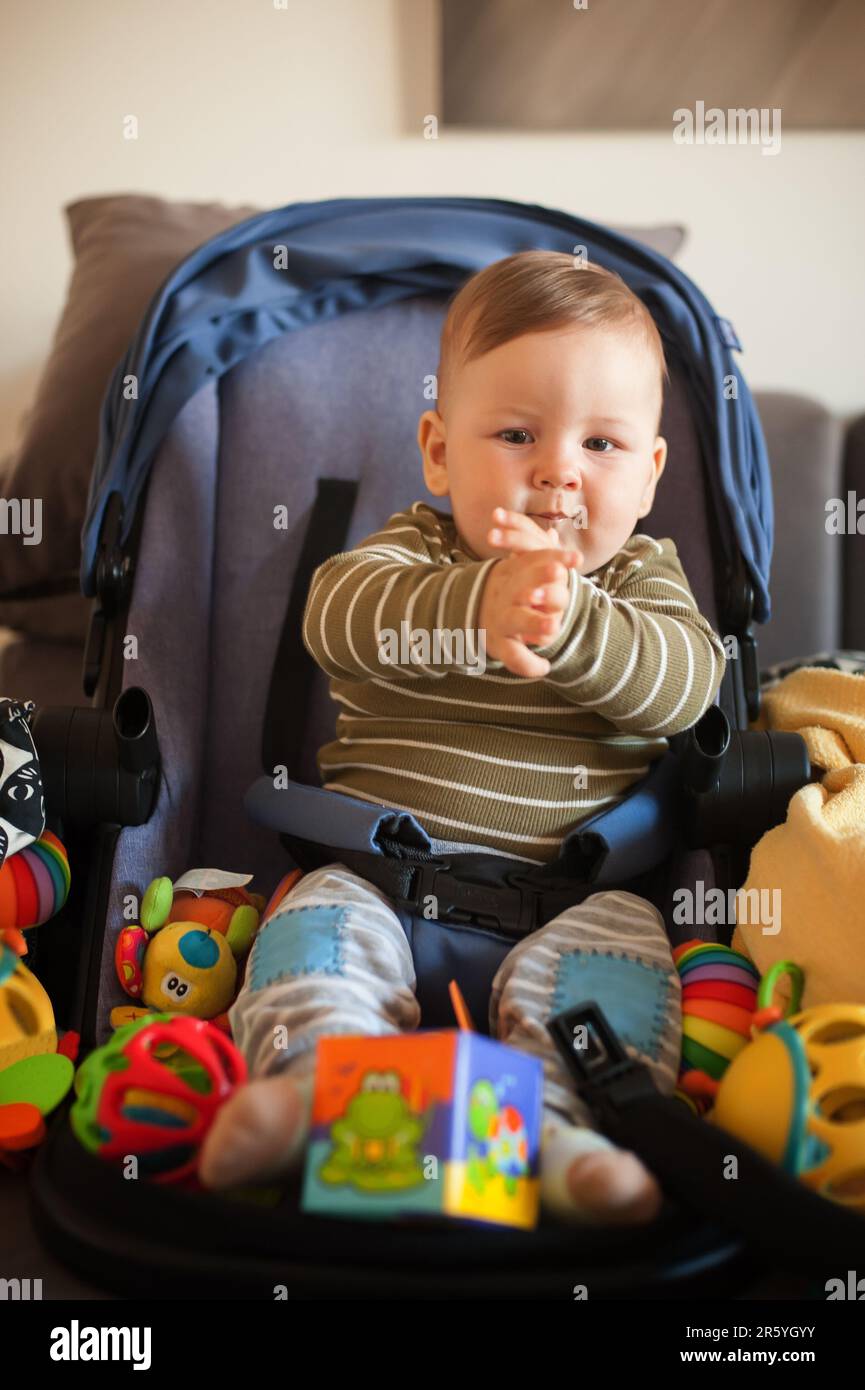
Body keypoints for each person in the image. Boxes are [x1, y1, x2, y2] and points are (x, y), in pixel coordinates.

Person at [199, 250, 727, 1224]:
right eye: (517, 433)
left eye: (602, 445)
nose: (558, 470)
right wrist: (474, 609)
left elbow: (684, 691)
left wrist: (570, 628)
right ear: (440, 452)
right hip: (378, 880)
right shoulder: (414, 550)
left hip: (572, 899)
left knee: (624, 958)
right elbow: (335, 617)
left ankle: (564, 1135)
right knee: (315, 936)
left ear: (650, 473)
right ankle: (310, 1090)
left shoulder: (641, 581)